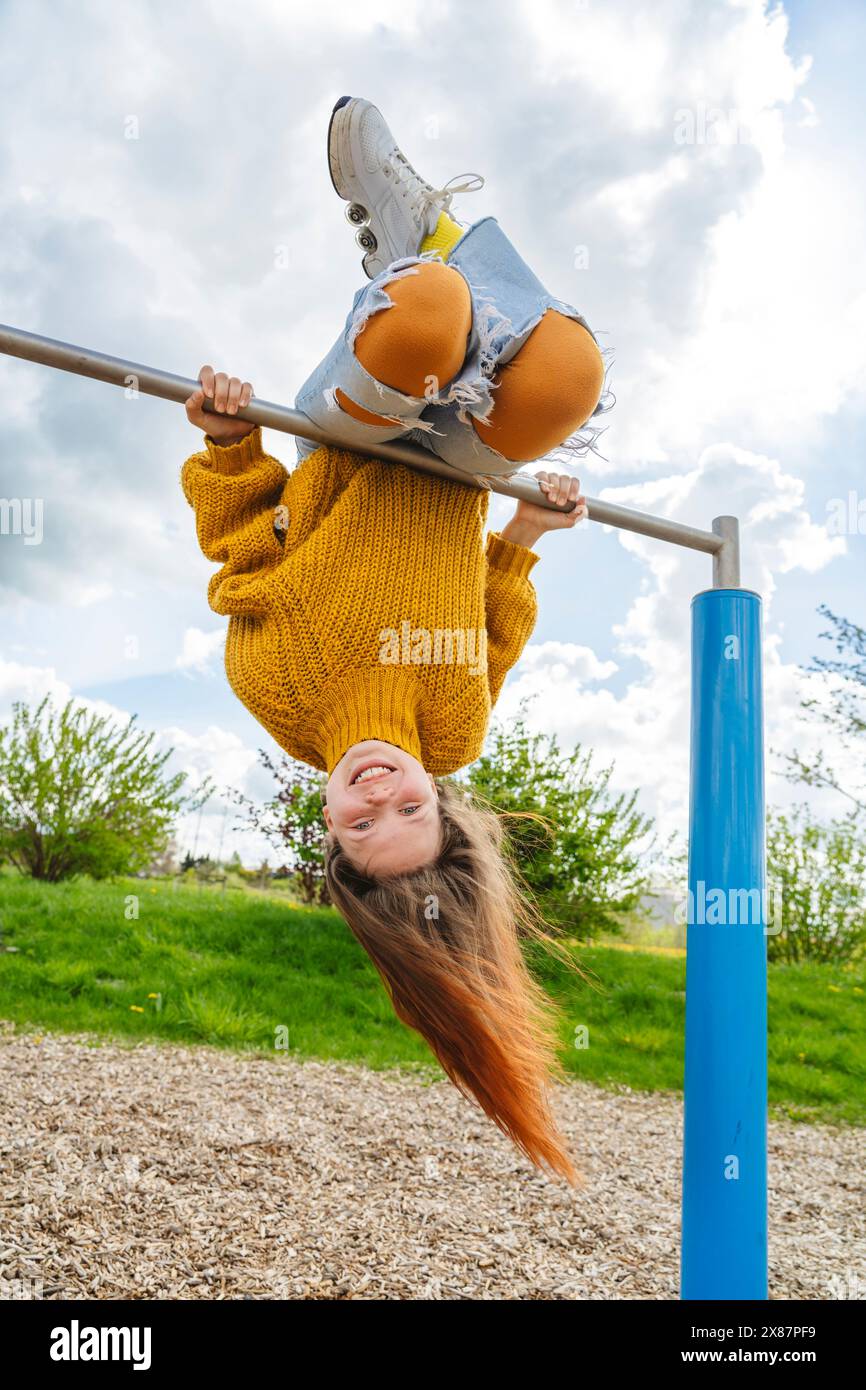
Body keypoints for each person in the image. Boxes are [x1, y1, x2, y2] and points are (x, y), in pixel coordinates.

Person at [180, 98, 610, 1184]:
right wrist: (523, 528)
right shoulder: (453, 724)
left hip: (358, 429)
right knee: (567, 374)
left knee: (426, 318)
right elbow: (493, 615)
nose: (379, 790)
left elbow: (244, 549)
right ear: (442, 803)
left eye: (360, 819)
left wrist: (233, 443)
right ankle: (434, 252)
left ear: (326, 825)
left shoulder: (279, 692)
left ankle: (408, 247)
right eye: (408, 809)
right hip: (457, 468)